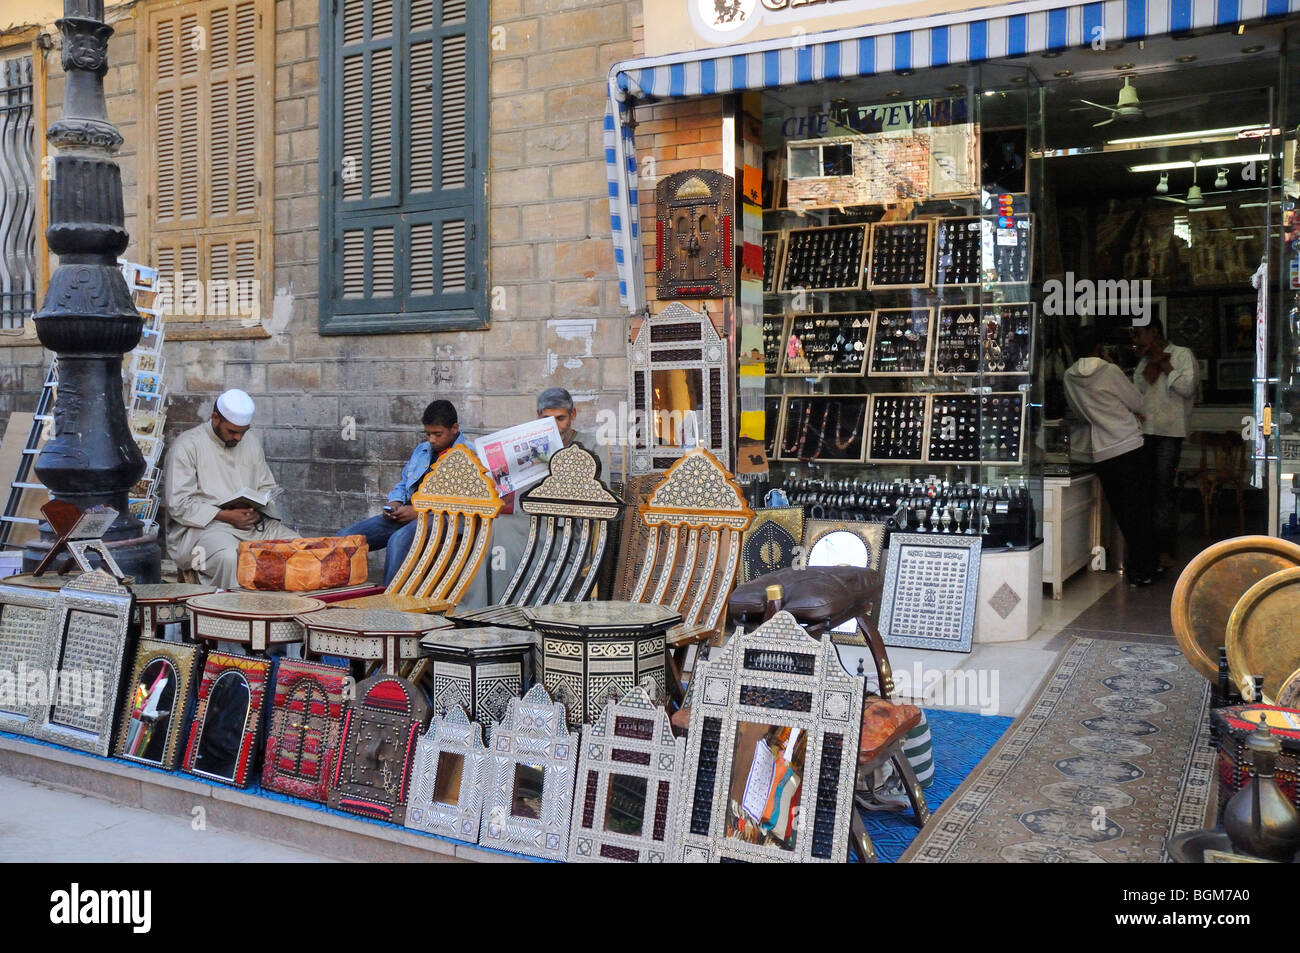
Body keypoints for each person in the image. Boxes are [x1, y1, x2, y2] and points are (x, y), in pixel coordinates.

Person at [164, 389, 293, 588]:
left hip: (252, 525)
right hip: (205, 529)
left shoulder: (250, 442)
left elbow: (267, 487)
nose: (239, 438)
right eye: (232, 432)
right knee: (232, 559)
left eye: (243, 431)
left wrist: (259, 512)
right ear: (215, 418)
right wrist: (225, 516)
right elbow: (179, 505)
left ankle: (280, 614)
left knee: (300, 548)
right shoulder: (187, 445)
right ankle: (234, 617)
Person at [1063, 327, 1158, 587]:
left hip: (1101, 449)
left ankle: (1136, 569)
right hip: (1127, 444)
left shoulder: (1069, 376)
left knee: (1121, 511)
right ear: (1098, 347)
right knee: (1139, 509)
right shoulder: (1110, 371)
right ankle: (1143, 568)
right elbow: (1137, 403)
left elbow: (1077, 410)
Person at [337, 399, 470, 584]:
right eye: (428, 434)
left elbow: (463, 501)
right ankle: (340, 598)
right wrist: (395, 503)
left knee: (398, 541)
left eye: (437, 434)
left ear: (454, 428)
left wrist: (419, 513)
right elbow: (403, 482)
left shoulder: (469, 455)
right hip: (406, 513)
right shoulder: (422, 450)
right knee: (345, 538)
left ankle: (390, 603)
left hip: (443, 518)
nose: (432, 439)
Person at [1131, 318, 1196, 569]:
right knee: (1147, 491)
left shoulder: (1181, 355)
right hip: (1145, 432)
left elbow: (1188, 388)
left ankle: (1166, 549)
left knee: (1163, 492)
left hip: (1170, 433)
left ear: (1154, 332)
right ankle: (1149, 549)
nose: (1136, 340)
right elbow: (1137, 392)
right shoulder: (1144, 361)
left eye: (1139, 334)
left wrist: (1165, 364)